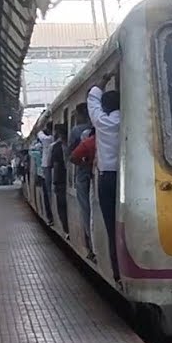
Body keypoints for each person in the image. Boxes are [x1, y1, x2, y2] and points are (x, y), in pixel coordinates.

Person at [88, 83, 122, 280]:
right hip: (127, 177)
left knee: (111, 227)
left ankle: (117, 272)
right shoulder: (129, 120)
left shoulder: (101, 121)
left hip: (106, 178)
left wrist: (99, 84)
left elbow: (92, 101)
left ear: (106, 107)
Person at [70, 127, 97, 260]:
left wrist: (85, 163)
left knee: (87, 211)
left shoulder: (89, 142)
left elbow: (73, 157)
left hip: (89, 178)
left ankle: (92, 247)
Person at [50, 124, 70, 235]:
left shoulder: (56, 147)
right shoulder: (70, 143)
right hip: (68, 178)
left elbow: (54, 164)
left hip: (60, 180)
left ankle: (66, 230)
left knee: (61, 206)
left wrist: (54, 181)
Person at [37, 123, 56, 225]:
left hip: (46, 167)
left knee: (48, 192)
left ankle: (50, 216)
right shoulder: (53, 139)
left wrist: (41, 128)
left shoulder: (47, 140)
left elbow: (39, 134)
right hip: (50, 167)